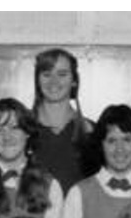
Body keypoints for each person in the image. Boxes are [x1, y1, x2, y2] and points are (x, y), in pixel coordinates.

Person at [32, 48, 93, 191]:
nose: (54, 81)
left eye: (62, 74)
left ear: (74, 81)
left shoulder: (91, 132)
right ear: (37, 81)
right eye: (47, 74)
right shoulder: (21, 128)